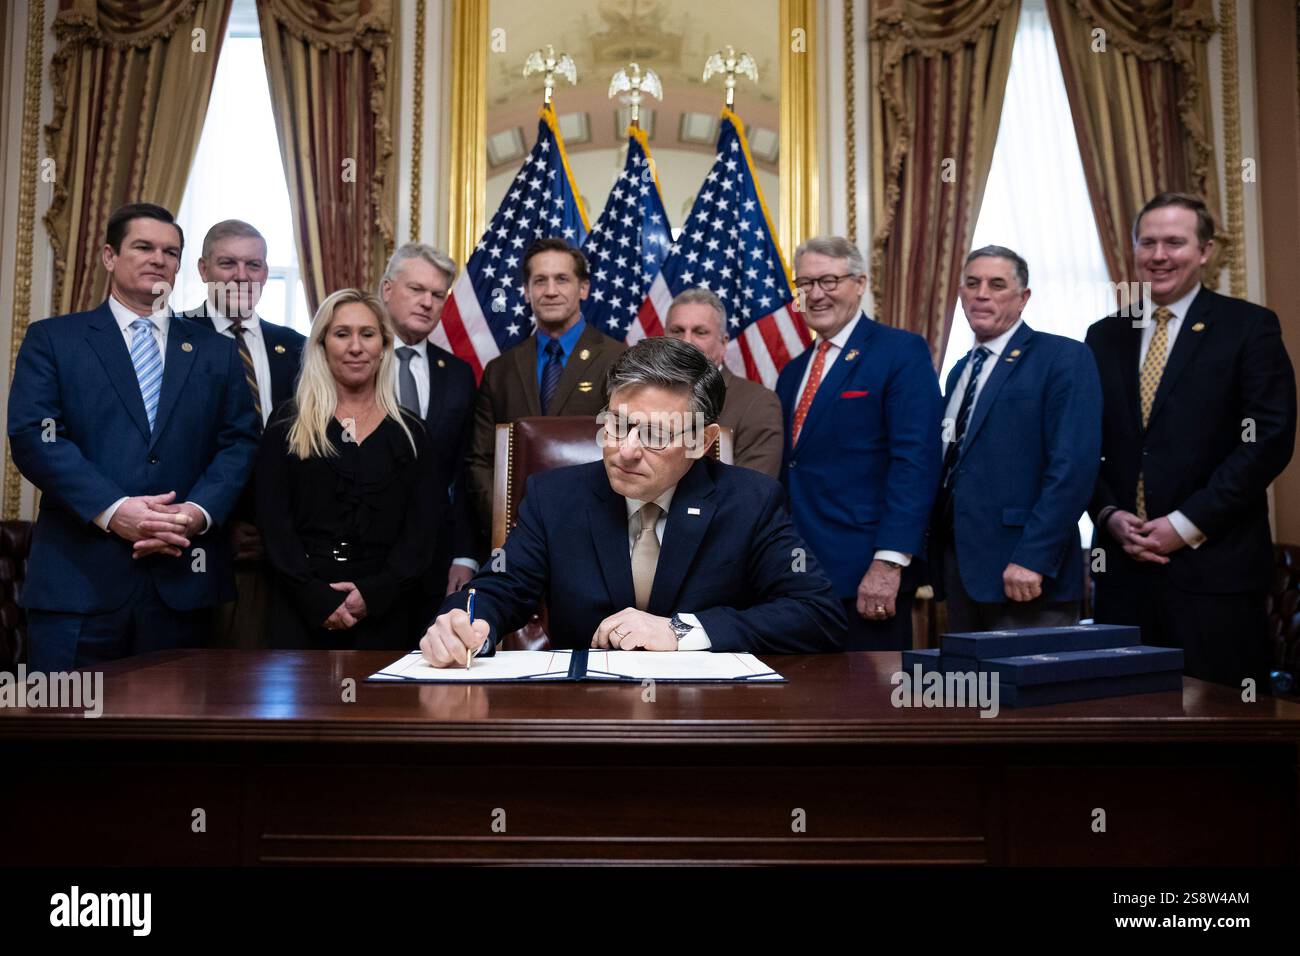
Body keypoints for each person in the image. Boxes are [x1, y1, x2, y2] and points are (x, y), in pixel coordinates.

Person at [419, 337, 845, 666]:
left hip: (708, 724)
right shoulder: (554, 498)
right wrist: (467, 621)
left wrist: (681, 631)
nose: (625, 450)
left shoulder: (751, 501)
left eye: (656, 434)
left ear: (702, 441)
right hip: (585, 719)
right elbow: (499, 587)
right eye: (616, 425)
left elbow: (816, 613)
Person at [7, 202, 259, 670]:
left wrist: (196, 513)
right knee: (63, 735)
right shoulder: (54, 340)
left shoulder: (216, 351)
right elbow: (35, 437)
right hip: (78, 586)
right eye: (143, 246)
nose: (158, 259)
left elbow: (239, 442)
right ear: (109, 256)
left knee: (175, 740)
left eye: (170, 251)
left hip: (183, 583)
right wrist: (116, 510)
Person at [1086, 192, 1296, 686]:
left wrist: (1185, 523)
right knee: (1122, 723)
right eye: (1148, 242)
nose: (1159, 255)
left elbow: (1268, 439)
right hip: (1122, 573)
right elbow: (1080, 446)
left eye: (1175, 242)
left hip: (1215, 574)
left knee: (1219, 735)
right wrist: (1109, 514)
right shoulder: (1103, 335)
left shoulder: (1248, 328)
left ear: (1204, 251)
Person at [775, 235, 943, 650]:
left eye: (829, 280)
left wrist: (889, 562)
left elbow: (915, 462)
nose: (816, 294)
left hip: (866, 573)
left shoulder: (900, 352)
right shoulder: (792, 372)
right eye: (806, 284)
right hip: (798, 577)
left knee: (870, 705)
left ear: (860, 283)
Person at [255, 289, 440, 650]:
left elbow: (423, 532)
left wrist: (373, 594)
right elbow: (273, 524)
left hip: (390, 614)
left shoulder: (412, 433)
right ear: (322, 345)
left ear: (384, 346)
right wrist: (315, 597)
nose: (356, 347)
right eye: (342, 334)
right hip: (300, 609)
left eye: (367, 334)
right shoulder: (287, 424)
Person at [931, 246, 1102, 631]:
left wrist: (1034, 557)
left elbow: (1073, 467)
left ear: (1023, 298)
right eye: (972, 284)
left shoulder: (1062, 357)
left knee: (1030, 689)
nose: (981, 294)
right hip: (961, 572)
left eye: (997, 284)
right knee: (971, 692)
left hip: (1027, 575)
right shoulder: (959, 371)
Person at [182, 219, 306, 648]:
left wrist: (274, 531)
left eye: (253, 264)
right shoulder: (170, 338)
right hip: (192, 548)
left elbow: (306, 451)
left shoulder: (295, 347)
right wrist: (218, 522)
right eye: (227, 263)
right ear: (202, 269)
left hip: (280, 554)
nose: (241, 275)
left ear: (265, 273)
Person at [465, 238, 625, 540]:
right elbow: (481, 462)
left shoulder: (618, 360)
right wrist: (506, 520)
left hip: (597, 534)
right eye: (540, 281)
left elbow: (628, 448)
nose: (550, 291)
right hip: (516, 537)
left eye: (562, 279)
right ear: (526, 291)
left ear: (583, 288)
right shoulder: (501, 370)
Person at [379, 243, 479, 611]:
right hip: (359, 561)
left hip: (434, 559)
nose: (427, 302)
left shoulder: (458, 374)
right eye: (416, 290)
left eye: (438, 295)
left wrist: (465, 555)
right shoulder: (352, 361)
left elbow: (466, 471)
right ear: (387, 289)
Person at [664, 287, 784, 477]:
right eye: (677, 331)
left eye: (700, 332)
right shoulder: (646, 396)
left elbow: (752, 494)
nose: (686, 341)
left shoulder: (758, 403)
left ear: (724, 342)